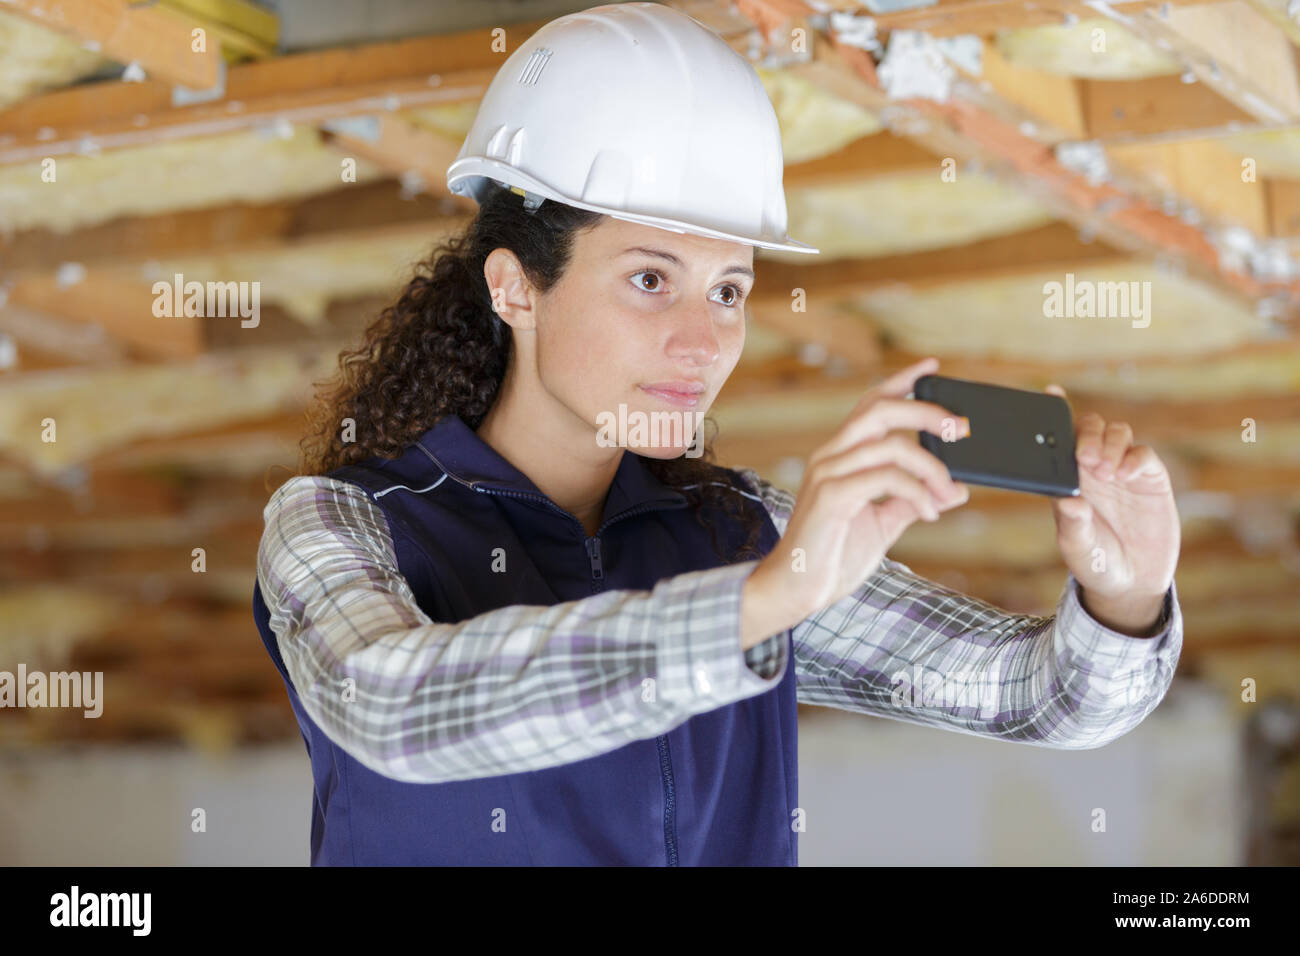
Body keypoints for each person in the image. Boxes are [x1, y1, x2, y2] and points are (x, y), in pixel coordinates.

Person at [252, 1, 1183, 866]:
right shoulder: (339, 520)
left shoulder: (736, 531)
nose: (702, 344)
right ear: (515, 287)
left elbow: (1040, 698)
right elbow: (393, 707)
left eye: (729, 290)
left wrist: (1126, 596)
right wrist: (764, 601)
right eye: (650, 280)